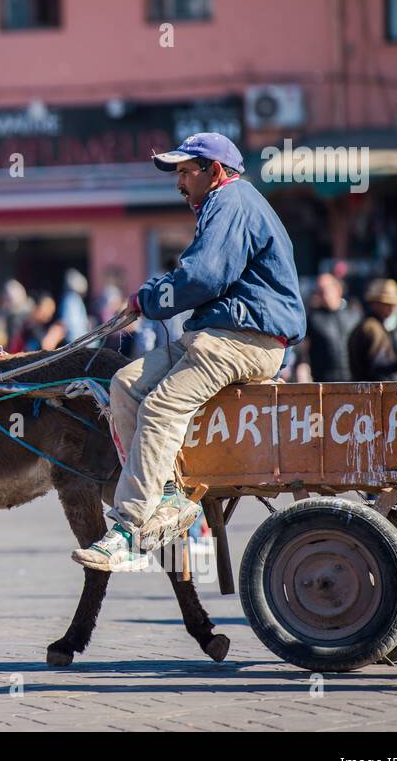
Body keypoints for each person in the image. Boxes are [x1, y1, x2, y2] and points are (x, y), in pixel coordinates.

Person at [73, 133, 306, 571]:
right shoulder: (226, 202)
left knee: (161, 408)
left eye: (185, 172)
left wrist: (150, 298)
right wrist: (150, 297)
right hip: (216, 335)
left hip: (245, 339)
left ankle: (127, 527)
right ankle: (166, 498)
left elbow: (203, 277)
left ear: (214, 172)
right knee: (124, 384)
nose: (179, 183)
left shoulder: (230, 201)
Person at [303, 273, 362, 382]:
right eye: (319, 290)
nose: (323, 294)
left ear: (338, 289)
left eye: (325, 289)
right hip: (324, 383)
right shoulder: (312, 319)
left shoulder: (354, 316)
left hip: (353, 382)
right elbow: (303, 353)